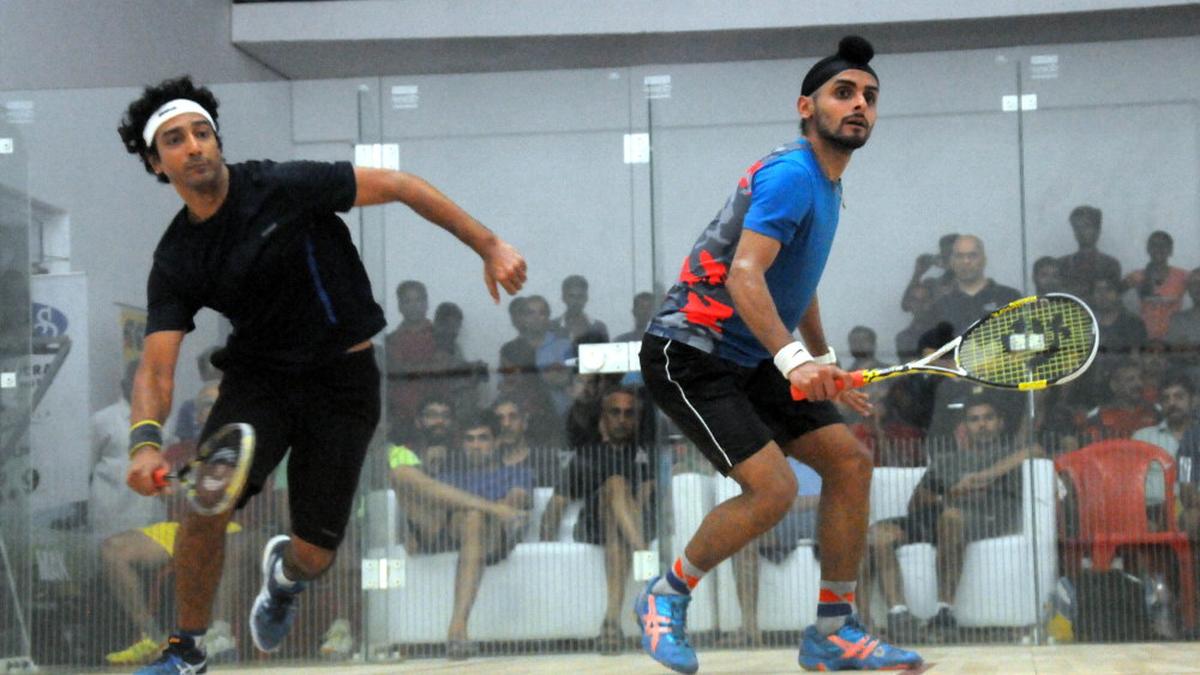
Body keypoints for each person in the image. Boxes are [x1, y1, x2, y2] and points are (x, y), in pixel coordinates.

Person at [118, 75, 526, 673]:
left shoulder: (283, 186)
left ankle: (285, 578)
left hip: (343, 383)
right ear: (158, 163)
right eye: (176, 140)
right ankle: (186, 651)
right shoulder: (176, 257)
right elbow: (157, 366)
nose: (195, 146)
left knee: (315, 553)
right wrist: (143, 443)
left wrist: (488, 246)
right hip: (259, 385)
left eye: (203, 132)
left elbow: (400, 186)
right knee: (204, 506)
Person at [635, 36, 921, 672]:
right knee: (773, 491)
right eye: (843, 93)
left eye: (870, 98)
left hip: (751, 355)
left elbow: (796, 278)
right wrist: (796, 363)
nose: (859, 106)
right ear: (806, 106)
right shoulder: (794, 175)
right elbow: (744, 276)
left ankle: (834, 633)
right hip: (691, 351)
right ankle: (664, 596)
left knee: (849, 464)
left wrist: (821, 357)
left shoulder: (827, 184)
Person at [863, 396, 1039, 643]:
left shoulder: (1010, 452)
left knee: (952, 517)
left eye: (988, 418)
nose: (982, 425)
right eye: (974, 420)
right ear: (965, 426)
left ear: (1000, 423)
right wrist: (950, 494)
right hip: (937, 518)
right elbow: (915, 503)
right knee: (875, 533)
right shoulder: (947, 460)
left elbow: (1035, 451)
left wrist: (981, 477)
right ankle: (898, 615)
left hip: (987, 519)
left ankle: (945, 611)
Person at [102, 382, 242, 666]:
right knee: (112, 549)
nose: (210, 410)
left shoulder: (246, 446)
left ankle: (220, 634)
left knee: (231, 543)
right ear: (198, 415)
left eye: (216, 404)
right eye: (204, 405)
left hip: (227, 526)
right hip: (179, 528)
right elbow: (166, 490)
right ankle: (152, 636)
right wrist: (161, 481)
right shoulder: (178, 451)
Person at [541, 387, 654, 655]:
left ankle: (611, 624)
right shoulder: (587, 456)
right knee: (615, 484)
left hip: (628, 525)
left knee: (616, 527)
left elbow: (648, 495)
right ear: (603, 417)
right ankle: (645, 558)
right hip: (592, 526)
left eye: (629, 413)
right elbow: (556, 505)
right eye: (615, 412)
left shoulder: (646, 454)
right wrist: (547, 549)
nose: (622, 419)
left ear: (637, 419)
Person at [430, 412, 534, 658]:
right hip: (457, 536)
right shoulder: (448, 478)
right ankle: (458, 629)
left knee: (474, 518)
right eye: (469, 439)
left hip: (497, 540)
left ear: (496, 442)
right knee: (472, 519)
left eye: (483, 439)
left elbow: (516, 503)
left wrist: (473, 509)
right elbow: (437, 515)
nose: (476, 446)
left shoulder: (517, 474)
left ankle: (457, 626)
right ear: (461, 444)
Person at [725, 458, 822, 648]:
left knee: (856, 537)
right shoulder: (770, 452)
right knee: (742, 543)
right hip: (780, 516)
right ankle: (749, 628)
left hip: (823, 514)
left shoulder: (826, 443)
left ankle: (862, 625)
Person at [89, 359, 166, 545]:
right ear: (125, 385)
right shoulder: (103, 420)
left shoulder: (164, 419)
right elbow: (88, 465)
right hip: (112, 514)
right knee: (111, 565)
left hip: (152, 515)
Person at [930, 234, 1021, 334]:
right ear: (952, 262)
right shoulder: (941, 306)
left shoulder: (1010, 297)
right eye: (959, 256)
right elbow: (917, 343)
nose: (966, 261)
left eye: (972, 255)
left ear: (984, 260)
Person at [384, 280, 438, 442]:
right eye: (407, 301)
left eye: (418, 300)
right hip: (401, 418)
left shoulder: (441, 337)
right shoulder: (391, 341)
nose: (414, 305)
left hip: (436, 416)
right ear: (400, 306)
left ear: (426, 303)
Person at [1123, 230, 1188, 341]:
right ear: (1148, 249)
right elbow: (1113, 293)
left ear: (1171, 250)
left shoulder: (1182, 276)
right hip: (1145, 339)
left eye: (1163, 246)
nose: (1158, 249)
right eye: (1154, 245)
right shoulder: (1136, 276)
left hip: (1173, 340)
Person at [1056, 205, 1122, 299]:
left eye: (1086, 226)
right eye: (1077, 227)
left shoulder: (1110, 265)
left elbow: (1112, 299)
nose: (1081, 232)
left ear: (1098, 230)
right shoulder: (1061, 264)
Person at [1164, 268, 1200, 382]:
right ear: (1188, 289)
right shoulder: (1178, 319)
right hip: (1185, 384)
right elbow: (1171, 352)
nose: (1198, 288)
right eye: (1194, 284)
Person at [551, 274, 609, 343]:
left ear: (586, 298)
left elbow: (605, 352)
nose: (576, 301)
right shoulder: (552, 328)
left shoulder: (599, 328)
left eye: (580, 296)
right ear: (563, 298)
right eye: (571, 296)